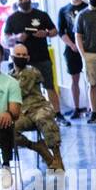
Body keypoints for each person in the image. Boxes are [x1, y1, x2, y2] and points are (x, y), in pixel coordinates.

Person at [3, 0, 65, 126]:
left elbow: (55, 31)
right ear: (17, 2)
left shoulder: (41, 15)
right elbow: (6, 40)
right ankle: (19, 115)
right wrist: (17, 37)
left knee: (49, 86)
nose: (24, 1)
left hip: (42, 57)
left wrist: (46, 34)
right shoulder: (12, 18)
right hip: (22, 60)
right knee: (20, 88)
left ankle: (58, 114)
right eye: (21, 0)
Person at [9, 43, 65, 171]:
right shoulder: (9, 76)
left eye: (24, 55)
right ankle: (38, 148)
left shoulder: (31, 71)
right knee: (9, 129)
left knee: (43, 118)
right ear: (12, 57)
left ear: (28, 58)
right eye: (18, 55)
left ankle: (57, 158)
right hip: (22, 113)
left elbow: (19, 92)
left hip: (38, 107)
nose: (21, 57)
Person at [57, 0, 89, 118]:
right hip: (71, 49)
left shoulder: (88, 7)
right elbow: (61, 31)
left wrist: (83, 45)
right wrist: (72, 45)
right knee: (74, 80)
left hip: (87, 48)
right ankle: (76, 108)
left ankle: (90, 108)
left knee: (89, 80)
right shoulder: (63, 10)